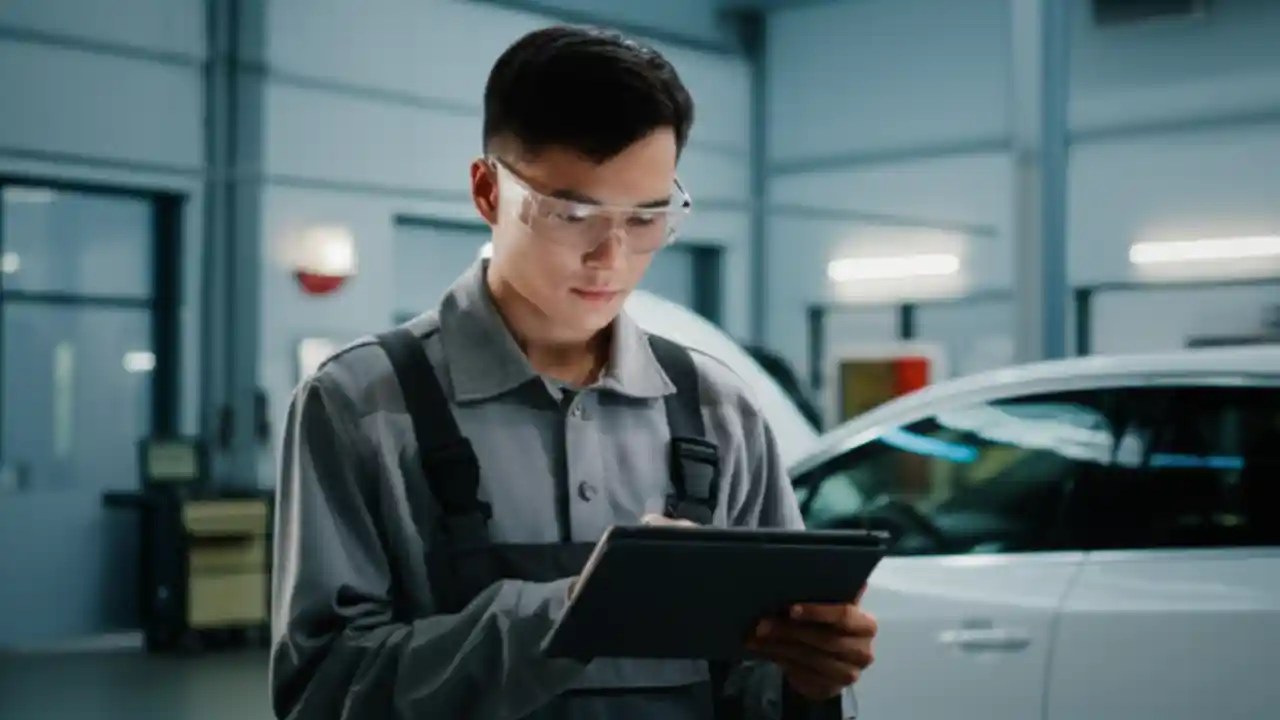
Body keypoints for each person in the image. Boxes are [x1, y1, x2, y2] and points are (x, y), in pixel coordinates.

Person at [270, 24, 877, 720]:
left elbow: (753, 687)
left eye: (646, 218)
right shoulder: (360, 407)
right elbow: (321, 694)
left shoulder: (718, 409)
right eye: (572, 214)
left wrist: (808, 683)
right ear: (488, 192)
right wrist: (574, 613)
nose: (611, 258)